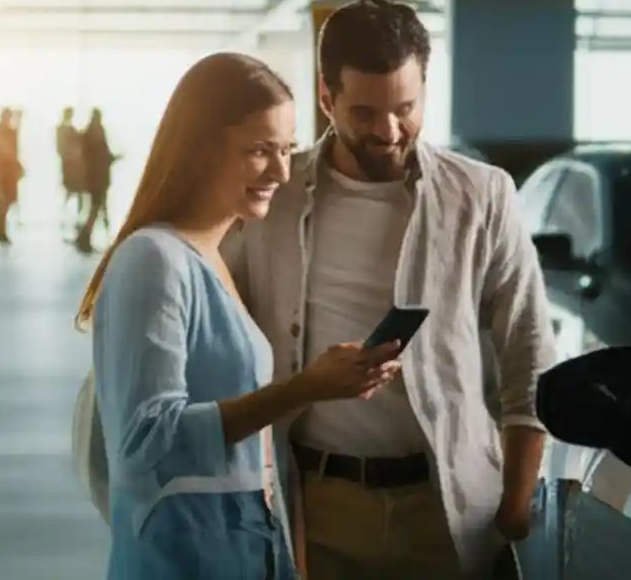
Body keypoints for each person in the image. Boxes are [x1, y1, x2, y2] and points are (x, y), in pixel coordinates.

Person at [224, 0, 557, 579]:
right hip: (318, 505)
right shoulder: (270, 200)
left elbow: (528, 350)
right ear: (326, 99)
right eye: (364, 112)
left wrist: (516, 505)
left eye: (406, 107)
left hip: (450, 507)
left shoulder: (481, 194)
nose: (389, 130)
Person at [74, 52, 403, 579]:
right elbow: (146, 441)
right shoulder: (154, 260)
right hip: (187, 553)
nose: (280, 170)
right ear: (199, 151)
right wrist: (303, 389)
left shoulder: (214, 258)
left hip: (239, 542)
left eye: (287, 149)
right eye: (259, 151)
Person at [75, 108, 116, 254]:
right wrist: (113, 158)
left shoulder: (88, 134)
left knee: (96, 208)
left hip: (93, 178)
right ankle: (85, 237)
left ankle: (85, 237)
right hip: (99, 178)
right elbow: (103, 156)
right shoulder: (96, 134)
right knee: (96, 208)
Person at [0, 108, 24, 245]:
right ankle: (0, 231)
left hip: (6, 171)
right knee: (3, 201)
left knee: (4, 201)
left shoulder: (2, 131)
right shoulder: (2, 132)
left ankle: (0, 230)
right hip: (3, 172)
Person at [57, 106, 86, 221]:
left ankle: (76, 215)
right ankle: (73, 216)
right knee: (73, 191)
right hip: (70, 165)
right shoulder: (64, 129)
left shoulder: (65, 129)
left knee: (75, 192)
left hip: (72, 165)